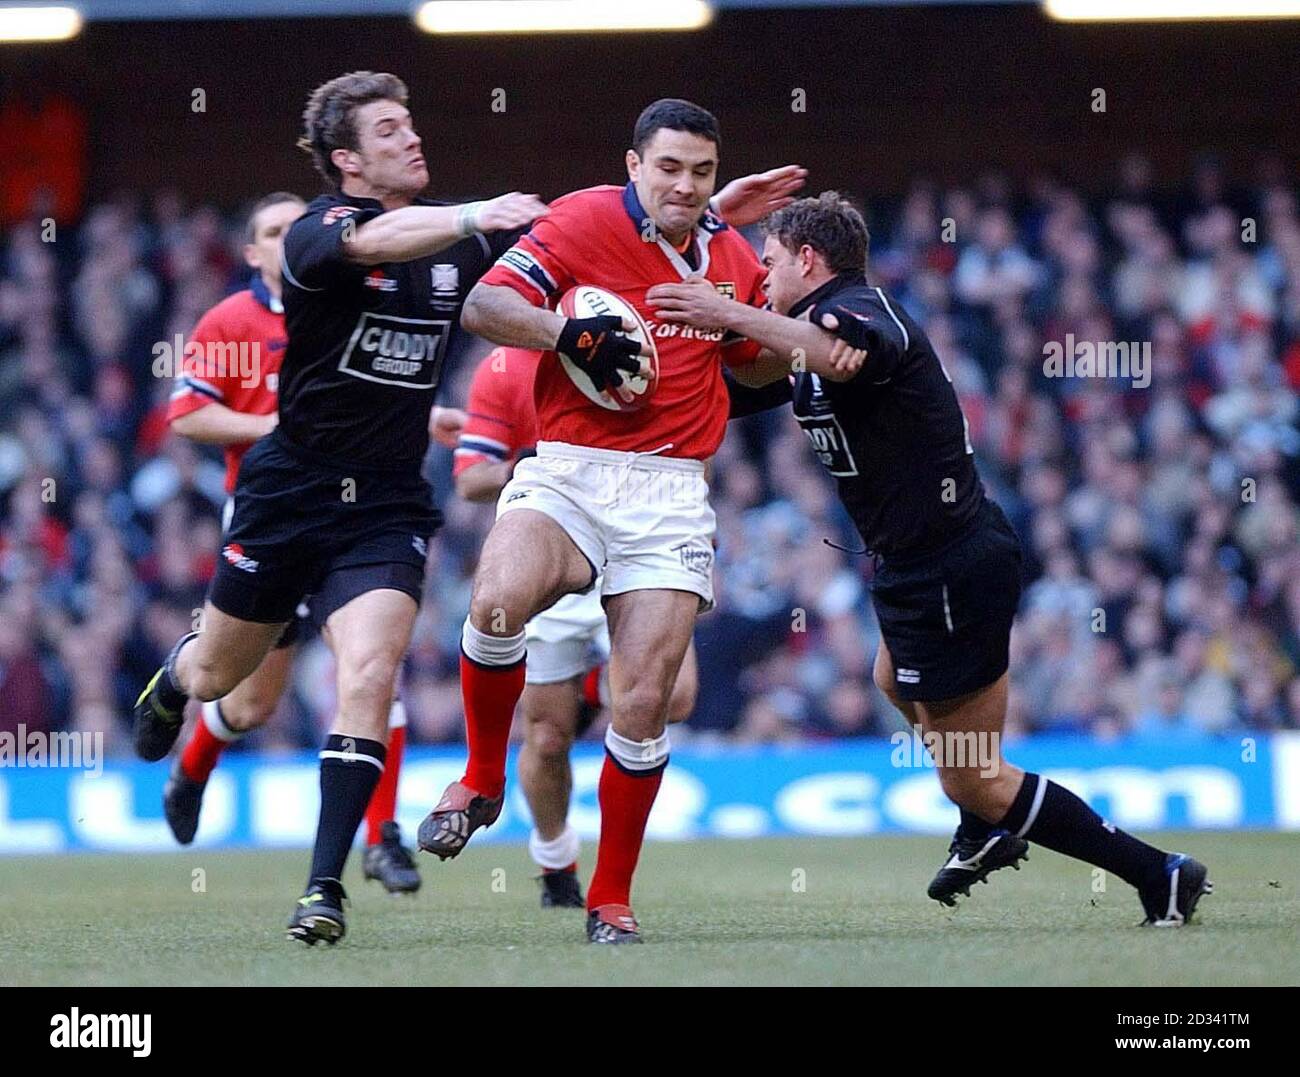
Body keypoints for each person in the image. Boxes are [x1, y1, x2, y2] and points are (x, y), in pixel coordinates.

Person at [647, 191, 1213, 926]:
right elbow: (754, 378)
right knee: (893, 678)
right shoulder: (814, 336)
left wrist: (726, 312)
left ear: (808, 260)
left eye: (773, 260)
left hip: (947, 567)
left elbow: (845, 345)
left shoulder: (859, 311)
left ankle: (1154, 872)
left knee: (977, 775)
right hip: (924, 565)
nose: (763, 273)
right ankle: (985, 821)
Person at [132, 71, 551, 945]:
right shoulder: (319, 233)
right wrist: (478, 213)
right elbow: (383, 240)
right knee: (224, 684)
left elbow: (553, 245)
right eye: (390, 130)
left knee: (368, 676)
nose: (412, 138)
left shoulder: (450, 242)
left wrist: (667, 215)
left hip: (386, 504)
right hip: (288, 494)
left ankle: (323, 888)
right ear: (347, 161)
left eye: (411, 122)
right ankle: (177, 682)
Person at [423, 98, 848, 944]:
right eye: (669, 167)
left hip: (670, 489)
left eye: (701, 172)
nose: (685, 186)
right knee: (496, 601)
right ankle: (478, 777)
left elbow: (757, 364)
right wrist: (571, 337)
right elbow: (483, 306)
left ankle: (608, 899)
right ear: (633, 165)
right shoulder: (580, 220)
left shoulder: (729, 255)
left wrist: (789, 324)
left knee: (647, 698)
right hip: (571, 472)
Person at [161, 190, 442, 895]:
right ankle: (193, 759)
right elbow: (188, 414)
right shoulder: (231, 319)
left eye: (298, 226)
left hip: (364, 512)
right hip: (273, 513)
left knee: (374, 668)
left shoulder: (358, 295)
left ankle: (378, 838)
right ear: (254, 252)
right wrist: (282, 431)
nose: (291, 238)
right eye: (272, 231)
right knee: (250, 700)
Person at [454, 345, 698, 907]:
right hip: (556, 542)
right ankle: (555, 858)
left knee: (674, 698)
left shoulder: (642, 340)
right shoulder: (503, 365)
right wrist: (532, 465)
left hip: (640, 539)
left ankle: (591, 692)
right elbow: (469, 478)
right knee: (546, 735)